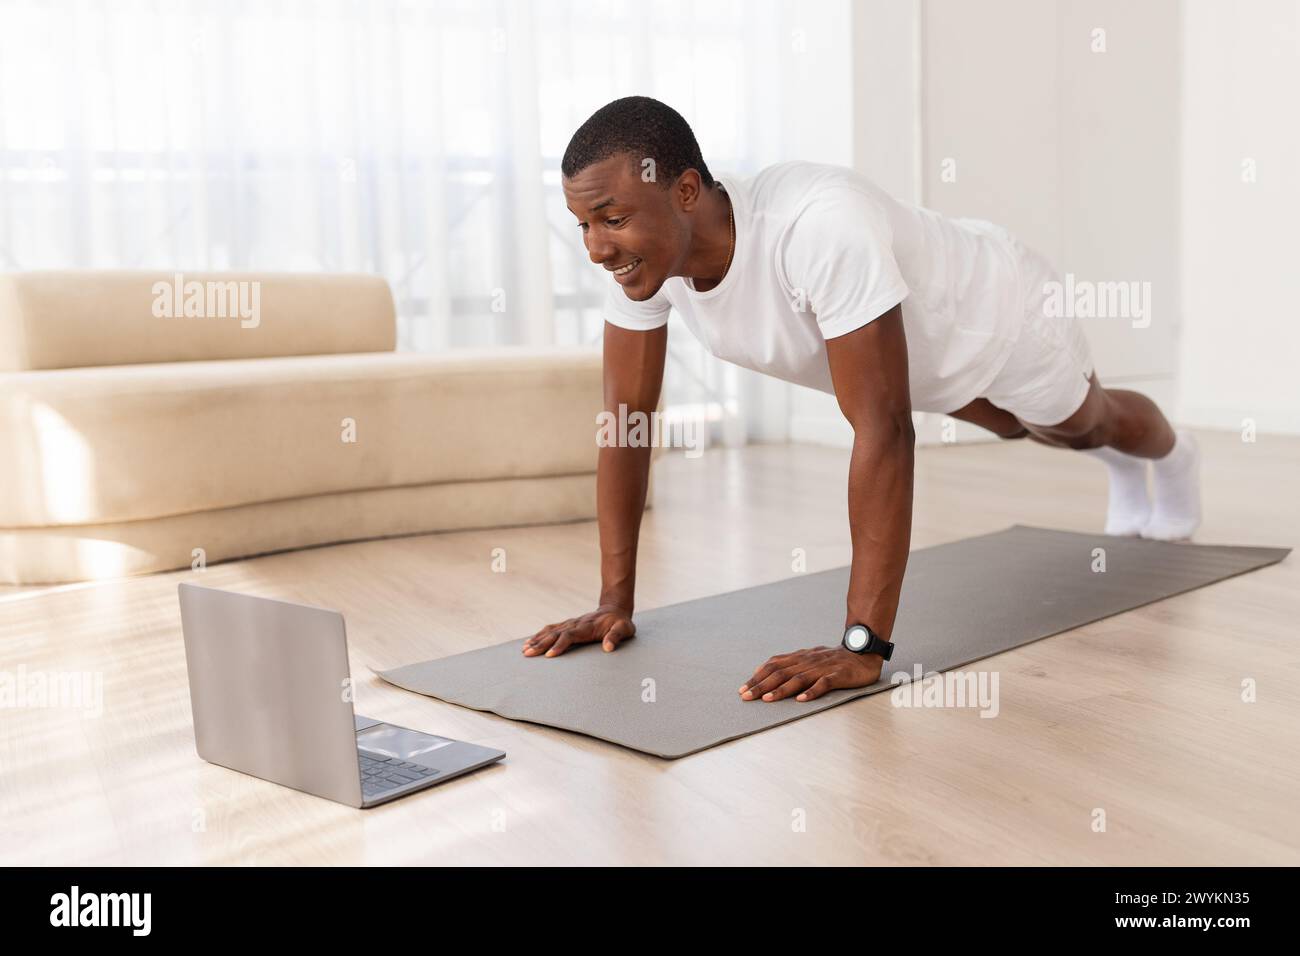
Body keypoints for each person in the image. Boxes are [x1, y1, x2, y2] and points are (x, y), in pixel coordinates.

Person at [522, 96, 1201, 704]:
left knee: (1076, 426)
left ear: (688, 191)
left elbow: (884, 430)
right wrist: (614, 602)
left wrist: (862, 646)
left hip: (1001, 314)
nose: (595, 248)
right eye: (583, 225)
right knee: (1013, 429)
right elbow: (627, 423)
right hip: (917, 359)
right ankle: (1118, 464)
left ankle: (1171, 459)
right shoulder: (644, 263)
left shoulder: (816, 227)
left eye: (609, 219)